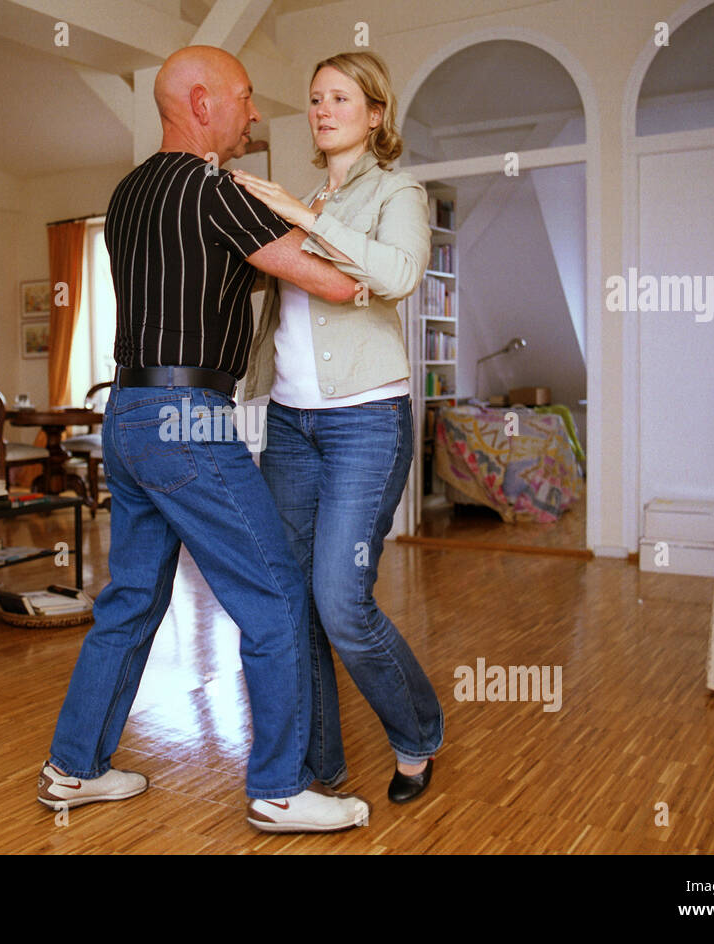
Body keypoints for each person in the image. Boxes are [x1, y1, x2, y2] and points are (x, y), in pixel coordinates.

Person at [39, 45, 371, 833]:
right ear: (200, 103)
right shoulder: (217, 190)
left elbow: (209, 272)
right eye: (247, 98)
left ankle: (74, 768)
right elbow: (336, 281)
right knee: (277, 594)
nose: (256, 114)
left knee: (129, 602)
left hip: (125, 413)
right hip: (186, 419)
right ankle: (281, 788)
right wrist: (315, 216)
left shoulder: (127, 195)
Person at [232, 51, 445, 804]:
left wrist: (306, 216)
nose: (322, 110)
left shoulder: (397, 191)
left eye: (341, 98)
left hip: (366, 422)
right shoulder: (292, 197)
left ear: (376, 114)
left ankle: (417, 733)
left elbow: (398, 274)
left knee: (341, 602)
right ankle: (321, 765)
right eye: (315, 98)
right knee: (291, 598)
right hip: (290, 425)